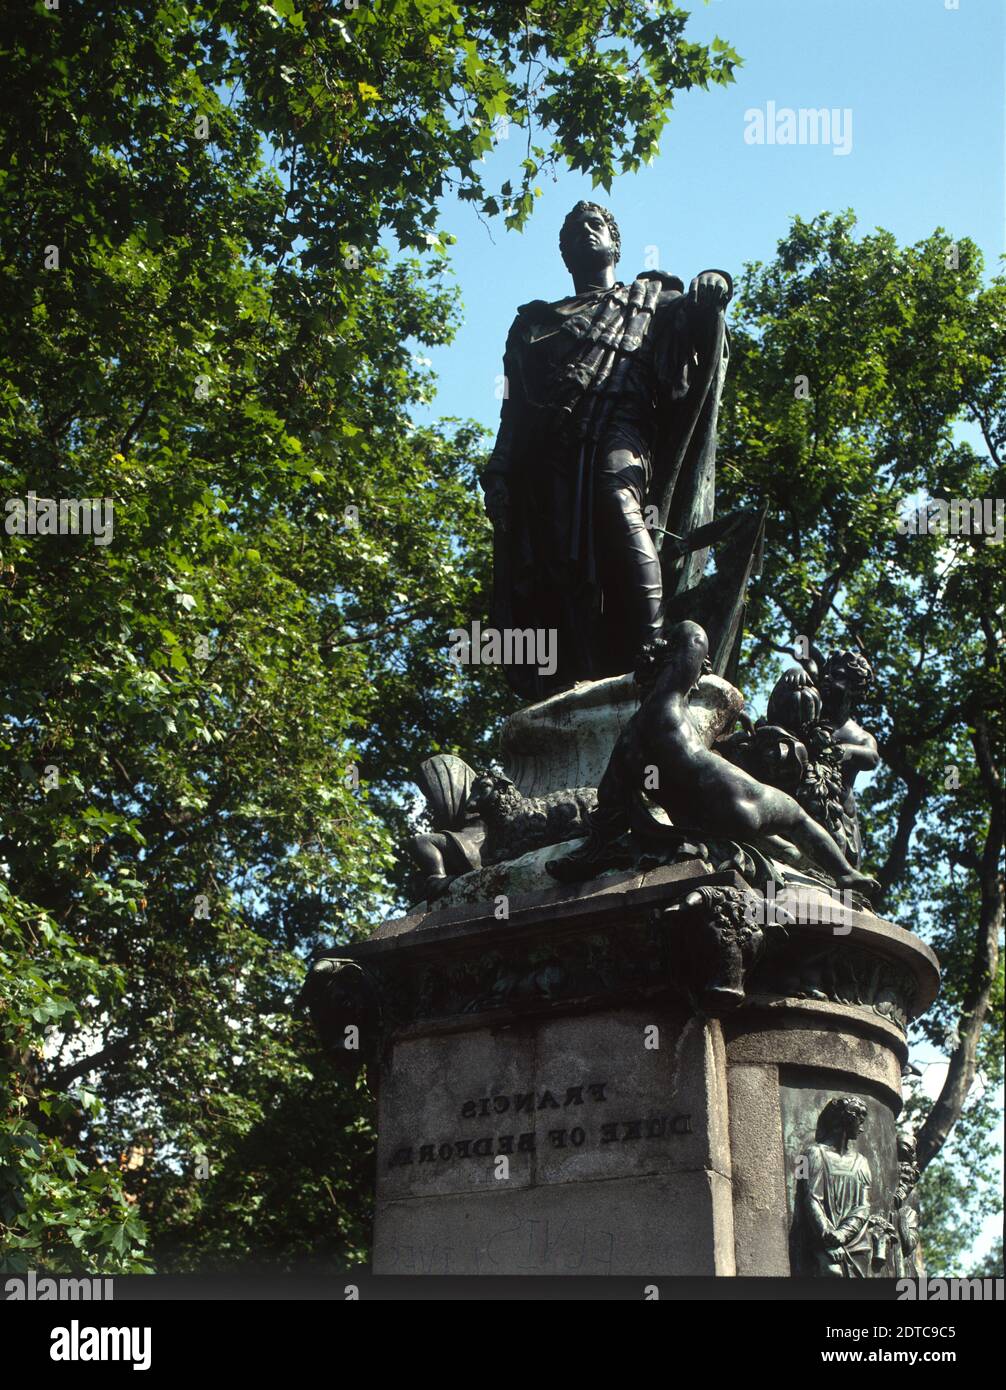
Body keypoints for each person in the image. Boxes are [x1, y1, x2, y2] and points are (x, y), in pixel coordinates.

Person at [481, 201, 732, 697]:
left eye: (595, 226)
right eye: (574, 232)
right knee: (559, 566)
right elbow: (514, 412)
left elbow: (699, 324)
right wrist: (500, 471)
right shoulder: (535, 324)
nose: (585, 234)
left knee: (616, 500)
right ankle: (577, 672)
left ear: (615, 243)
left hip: (622, 426)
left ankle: (654, 649)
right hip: (550, 452)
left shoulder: (651, 299)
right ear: (564, 255)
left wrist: (716, 283)